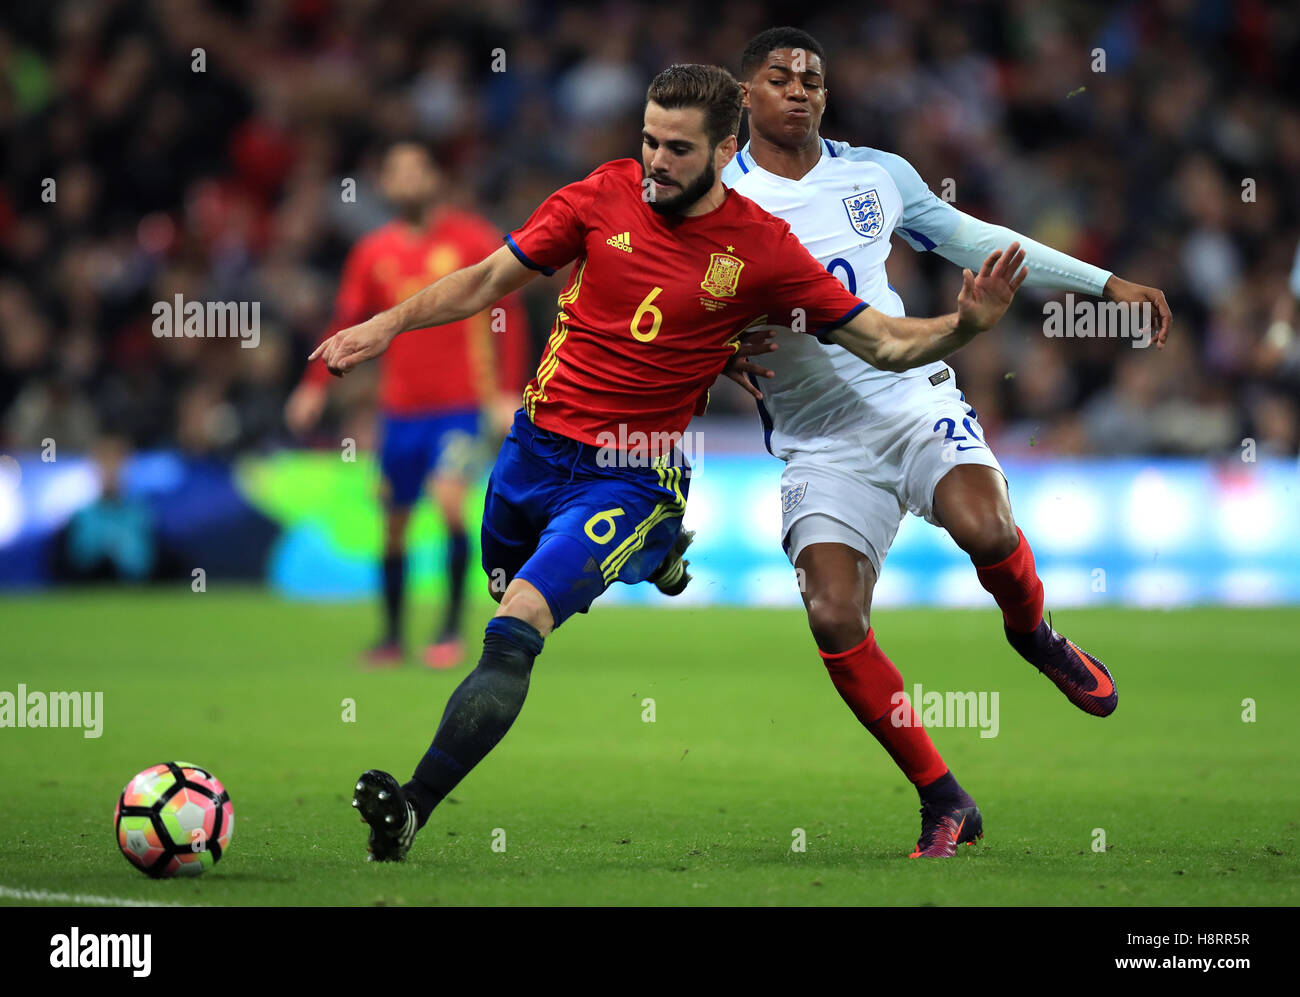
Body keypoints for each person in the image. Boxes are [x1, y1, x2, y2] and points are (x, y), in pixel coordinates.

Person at [311, 64, 1026, 862]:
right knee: (504, 582)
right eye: (649, 140)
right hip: (532, 453)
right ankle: (658, 555)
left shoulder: (762, 247)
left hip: (632, 471)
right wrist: (385, 326)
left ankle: (410, 809)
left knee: (513, 628)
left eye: (677, 148)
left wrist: (964, 327)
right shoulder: (598, 196)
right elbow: (485, 281)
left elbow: (883, 341)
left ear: (724, 151)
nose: (656, 160)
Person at [718, 27, 1172, 857]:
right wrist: (713, 351)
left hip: (909, 399)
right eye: (779, 78)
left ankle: (1034, 634)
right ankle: (944, 797)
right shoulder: (716, 199)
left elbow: (975, 240)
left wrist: (1105, 283)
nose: (799, 90)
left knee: (986, 526)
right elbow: (672, 301)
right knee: (833, 614)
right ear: (744, 95)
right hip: (818, 443)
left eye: (812, 78)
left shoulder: (876, 175)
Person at [286, 141, 529, 669]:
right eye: (395, 172)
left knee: (449, 502)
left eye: (416, 170)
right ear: (385, 185)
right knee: (394, 523)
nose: (406, 180)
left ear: (434, 178)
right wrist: (313, 386)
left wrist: (507, 388)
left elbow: (506, 313)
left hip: (462, 405)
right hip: (399, 411)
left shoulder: (472, 238)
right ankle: (392, 638)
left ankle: (449, 631)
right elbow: (346, 321)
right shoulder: (372, 252)